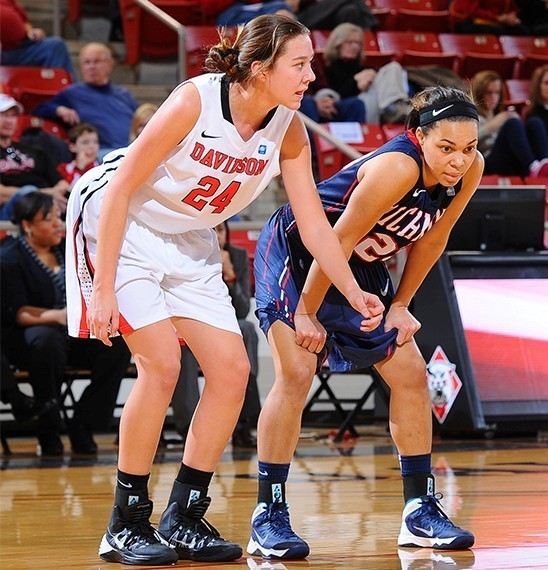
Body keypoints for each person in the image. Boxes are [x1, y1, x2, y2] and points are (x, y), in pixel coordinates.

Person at [64, 15, 384, 566]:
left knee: (233, 371)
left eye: (311, 64)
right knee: (162, 365)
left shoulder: (290, 130)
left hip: (190, 234)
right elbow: (119, 189)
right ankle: (125, 521)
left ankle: (185, 514)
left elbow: (314, 224)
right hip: (122, 221)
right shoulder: (196, 101)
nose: (311, 76)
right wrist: (105, 287)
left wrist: (354, 291)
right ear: (259, 69)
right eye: (299, 64)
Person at [250, 86, 482, 559]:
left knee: (411, 375)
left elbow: (432, 240)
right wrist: (306, 311)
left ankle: (419, 510)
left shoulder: (470, 170)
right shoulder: (397, 168)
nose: (459, 160)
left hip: (359, 263)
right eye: (447, 147)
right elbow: (335, 239)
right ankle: (267, 514)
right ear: (419, 136)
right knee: (297, 372)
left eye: (469, 147)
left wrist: (400, 304)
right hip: (303, 250)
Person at [1, 192, 132, 456]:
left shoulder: (67, 249)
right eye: (48, 219)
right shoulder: (9, 257)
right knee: (46, 340)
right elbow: (18, 313)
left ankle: (84, 423)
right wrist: (60, 315)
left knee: (116, 345)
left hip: (70, 333)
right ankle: (48, 426)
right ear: (27, 225)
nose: (57, 224)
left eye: (58, 217)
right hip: (29, 337)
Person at [172, 221, 261, 448]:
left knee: (247, 329)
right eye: (211, 229)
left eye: (220, 229)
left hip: (222, 324)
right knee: (184, 340)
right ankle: (189, 428)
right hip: (190, 320)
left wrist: (229, 275)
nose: (216, 235)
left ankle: (243, 422)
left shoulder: (237, 256)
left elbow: (242, 309)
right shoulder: (185, 253)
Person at [33, 43, 139, 155]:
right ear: (81, 67)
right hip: (101, 153)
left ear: (110, 64)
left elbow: (141, 119)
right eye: (87, 62)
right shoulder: (73, 93)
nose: (91, 67)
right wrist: (58, 110)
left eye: (97, 61)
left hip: (133, 149)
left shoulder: (124, 94)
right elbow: (39, 110)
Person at [471, 70, 548, 177]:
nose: (493, 97)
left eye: (497, 93)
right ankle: (532, 165)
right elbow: (467, 141)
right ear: (479, 93)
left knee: (535, 122)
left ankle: (545, 163)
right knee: (512, 124)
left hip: (510, 158)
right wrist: (493, 125)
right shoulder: (472, 115)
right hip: (486, 161)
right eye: (489, 93)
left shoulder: (500, 114)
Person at [316, 23, 410, 125]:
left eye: (358, 43)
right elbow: (337, 97)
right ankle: (391, 111)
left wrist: (372, 74)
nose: (355, 47)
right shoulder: (327, 71)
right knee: (360, 102)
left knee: (393, 67)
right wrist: (356, 80)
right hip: (351, 109)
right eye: (349, 42)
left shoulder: (366, 69)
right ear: (337, 44)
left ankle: (394, 107)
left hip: (375, 105)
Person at [0, 94, 70, 219]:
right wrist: (46, 195)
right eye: (4, 115)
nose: (9, 121)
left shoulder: (33, 149)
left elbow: (62, 183)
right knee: (28, 192)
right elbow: (1, 194)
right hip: (12, 212)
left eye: (13, 116)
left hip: (50, 204)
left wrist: (55, 193)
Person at [0, 0, 75, 79]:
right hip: (3, 52)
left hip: (22, 47)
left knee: (56, 46)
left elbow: (25, 21)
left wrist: (31, 32)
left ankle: (67, 86)